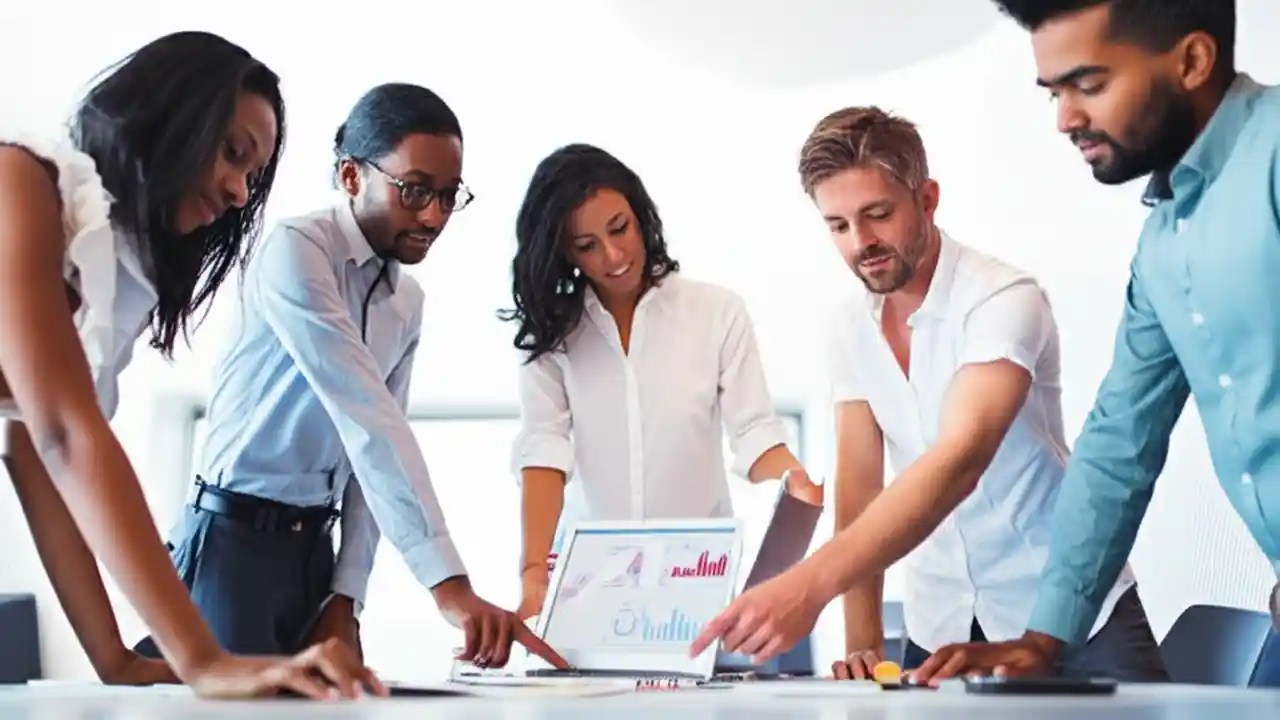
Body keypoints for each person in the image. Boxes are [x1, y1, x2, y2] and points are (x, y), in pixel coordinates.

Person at [688, 106, 1168, 682]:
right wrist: (863, 643)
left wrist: (808, 587)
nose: (861, 242)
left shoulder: (1002, 299)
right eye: (838, 226)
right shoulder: (850, 327)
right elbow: (859, 486)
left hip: (1065, 614)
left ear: (927, 198)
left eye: (878, 215)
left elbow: (958, 460)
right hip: (940, 623)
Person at [133, 83, 566, 673]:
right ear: (351, 176)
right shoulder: (296, 252)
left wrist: (346, 597)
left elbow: (369, 461)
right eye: (416, 190)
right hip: (233, 543)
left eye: (448, 195)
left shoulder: (406, 302)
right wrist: (449, 587)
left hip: (314, 552)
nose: (434, 216)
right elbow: (366, 417)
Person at [909, 0, 1280, 687]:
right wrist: (1044, 639)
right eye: (1054, 92)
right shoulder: (1165, 241)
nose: (1065, 118)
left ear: (1192, 61)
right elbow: (1119, 441)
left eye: (1089, 84)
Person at [0, 31, 381, 699]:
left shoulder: (109, 277)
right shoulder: (19, 183)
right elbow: (63, 434)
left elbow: (32, 450)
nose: (239, 192)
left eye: (253, 177)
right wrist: (204, 659)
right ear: (169, 112)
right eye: (233, 153)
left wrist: (116, 660)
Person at [502, 143, 823, 620]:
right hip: (589, 581)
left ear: (640, 216)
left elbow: (755, 433)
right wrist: (533, 575)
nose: (613, 255)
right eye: (587, 246)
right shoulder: (553, 336)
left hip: (696, 577)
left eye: (620, 229)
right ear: (564, 251)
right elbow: (544, 451)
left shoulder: (716, 312)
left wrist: (795, 484)